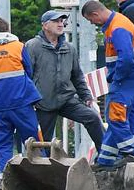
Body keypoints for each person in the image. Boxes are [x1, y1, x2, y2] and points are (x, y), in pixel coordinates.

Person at [24, 9, 105, 153]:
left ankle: (105, 154)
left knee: (92, 117)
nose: (61, 24)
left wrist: (86, 96)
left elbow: (77, 76)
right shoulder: (32, 46)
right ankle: (44, 168)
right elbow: (26, 76)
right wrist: (30, 100)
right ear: (45, 25)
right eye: (56, 21)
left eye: (62, 21)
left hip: (66, 99)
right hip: (43, 102)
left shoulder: (69, 48)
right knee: (43, 142)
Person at [81, 0, 134, 167]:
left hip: (127, 78)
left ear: (96, 14)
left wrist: (117, 78)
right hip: (133, 76)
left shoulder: (117, 28)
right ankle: (106, 159)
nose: (93, 23)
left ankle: (132, 152)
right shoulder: (117, 23)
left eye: (91, 20)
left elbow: (126, 58)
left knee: (115, 115)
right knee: (124, 114)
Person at [0, 16, 42, 171]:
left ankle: (5, 176)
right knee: (33, 138)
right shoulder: (19, 46)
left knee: (2, 142)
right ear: (8, 30)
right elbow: (29, 70)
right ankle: (41, 170)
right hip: (22, 101)